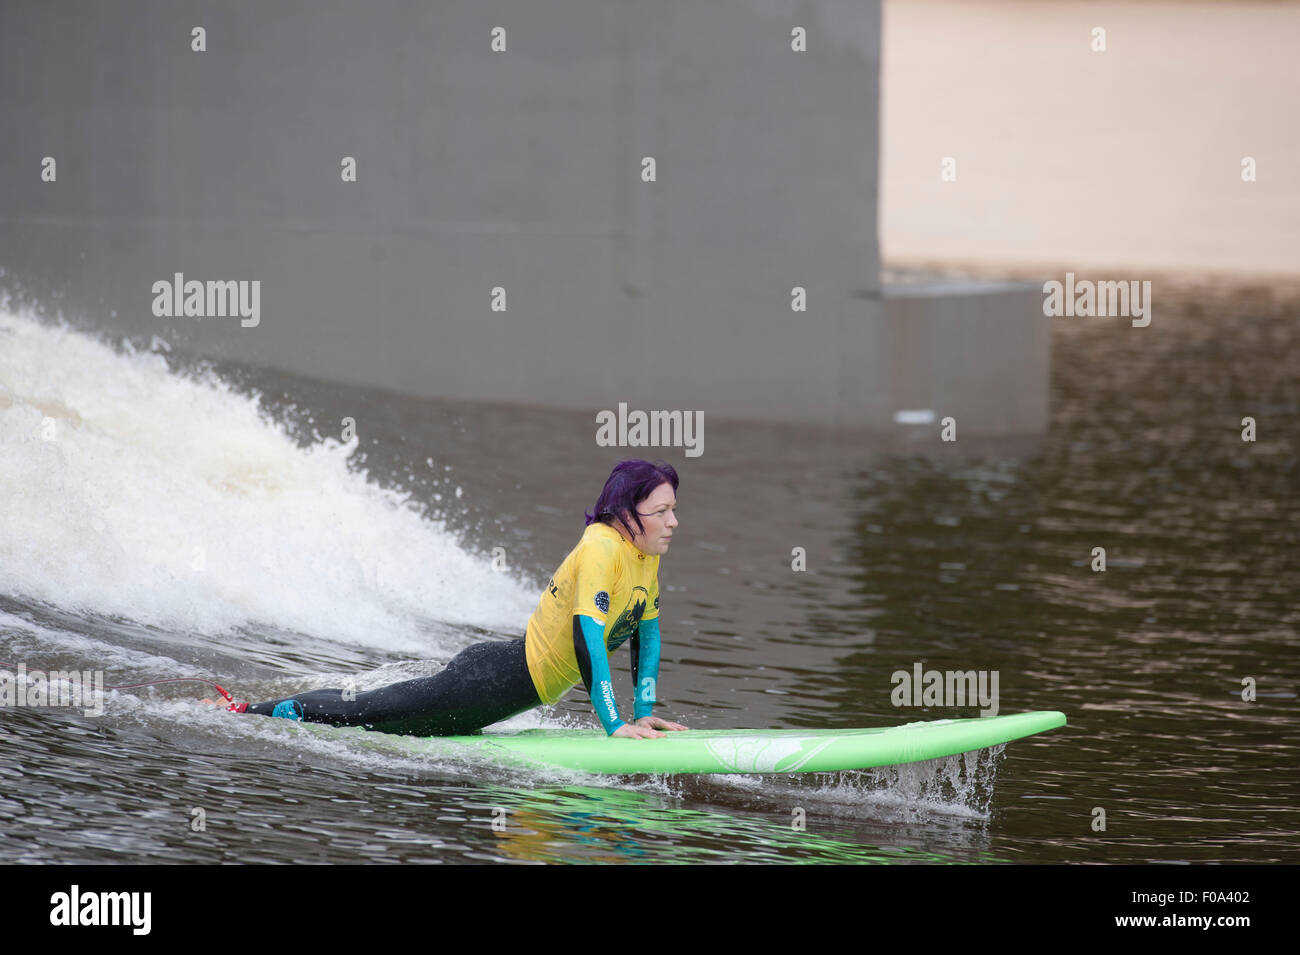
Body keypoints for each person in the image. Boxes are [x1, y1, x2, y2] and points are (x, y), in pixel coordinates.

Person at [218, 460, 688, 740]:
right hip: (491, 681)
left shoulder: (644, 553)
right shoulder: (601, 548)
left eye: (673, 510)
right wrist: (612, 724)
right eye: (661, 511)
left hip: (506, 686)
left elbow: (647, 635)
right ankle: (248, 712)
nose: (673, 522)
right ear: (627, 514)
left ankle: (256, 708)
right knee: (370, 714)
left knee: (387, 716)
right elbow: (586, 641)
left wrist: (643, 713)